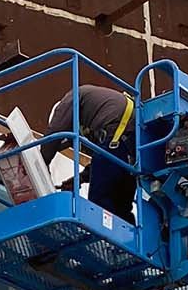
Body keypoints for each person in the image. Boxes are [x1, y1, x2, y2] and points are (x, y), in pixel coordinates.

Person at [44, 84, 139, 222]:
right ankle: (127, 233)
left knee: (99, 202)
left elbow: (54, 132)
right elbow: (103, 160)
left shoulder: (68, 101)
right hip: (132, 145)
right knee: (121, 205)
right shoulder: (93, 117)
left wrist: (41, 163)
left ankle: (103, 232)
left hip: (119, 134)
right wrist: (80, 178)